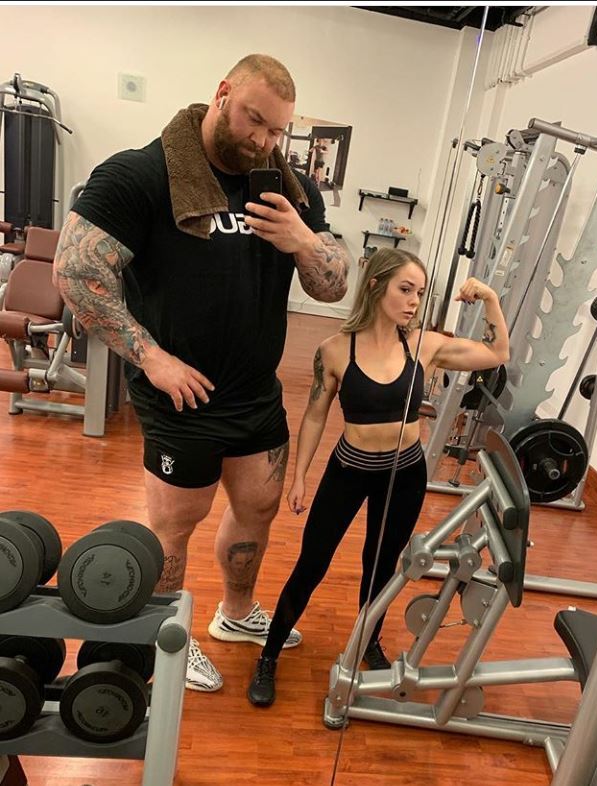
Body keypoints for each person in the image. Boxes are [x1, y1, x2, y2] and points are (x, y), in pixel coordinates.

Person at [52, 54, 352, 693]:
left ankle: (236, 613)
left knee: (258, 507)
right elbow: (75, 271)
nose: (264, 141)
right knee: (176, 521)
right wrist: (150, 357)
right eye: (254, 120)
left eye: (278, 130)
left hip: (256, 390)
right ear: (221, 94)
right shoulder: (142, 174)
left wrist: (303, 239)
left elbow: (332, 287)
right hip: (180, 393)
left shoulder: (290, 190)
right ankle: (170, 629)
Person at [246, 247, 510, 707]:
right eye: (405, 289)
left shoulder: (425, 346)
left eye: (420, 293)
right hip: (349, 470)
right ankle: (269, 654)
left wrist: (489, 298)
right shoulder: (334, 349)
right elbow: (314, 415)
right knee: (312, 565)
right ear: (375, 286)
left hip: (404, 475)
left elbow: (497, 353)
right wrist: (300, 477)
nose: (413, 302)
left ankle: (368, 641)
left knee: (381, 567)